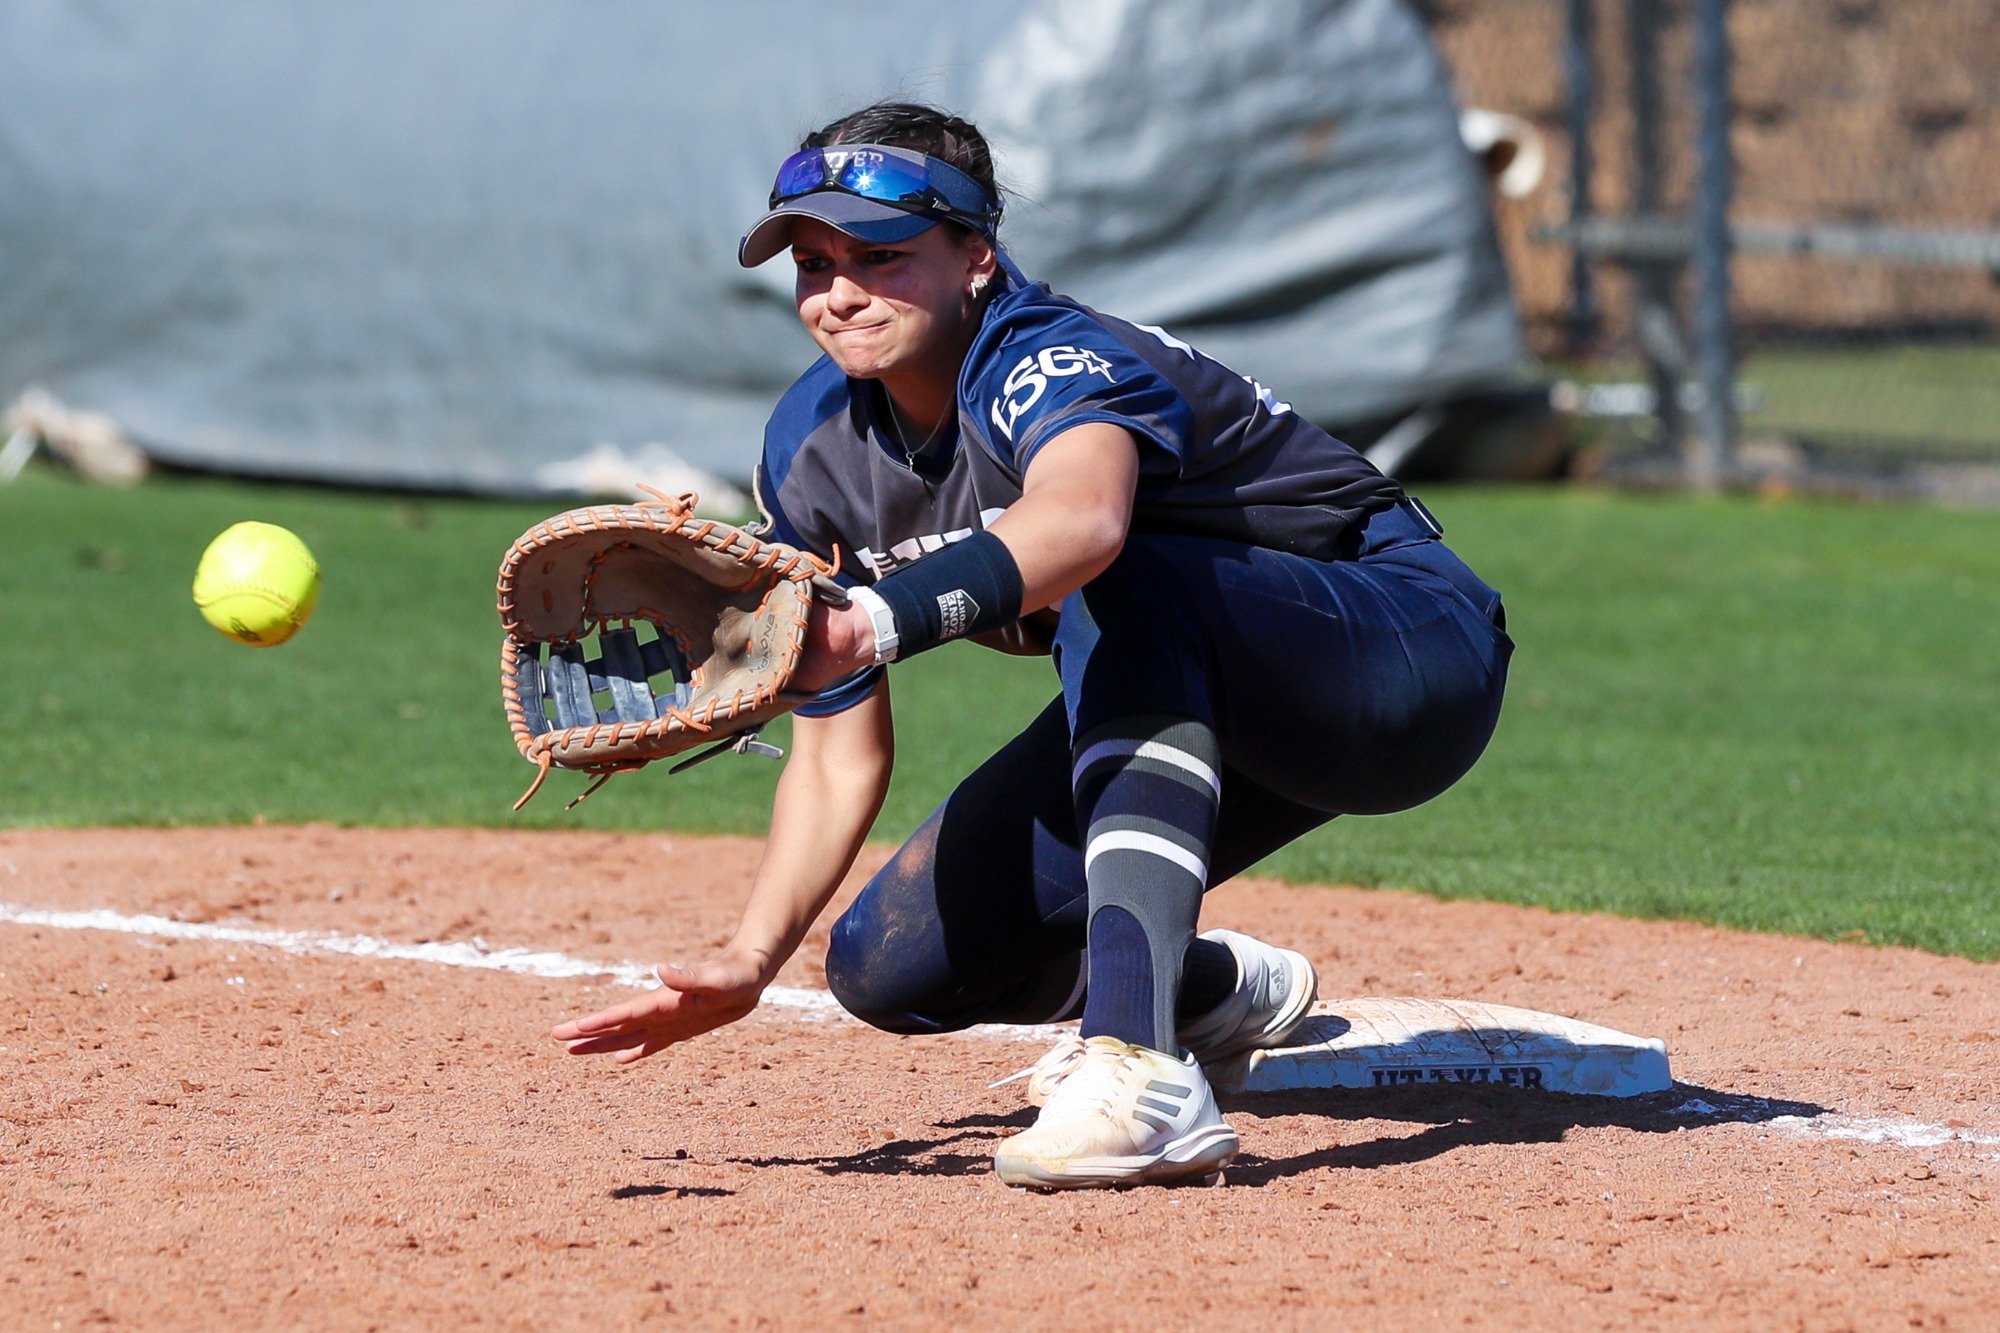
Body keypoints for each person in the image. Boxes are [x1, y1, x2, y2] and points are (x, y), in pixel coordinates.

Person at [551, 101, 1512, 1189]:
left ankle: (1137, 1068)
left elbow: (1082, 525)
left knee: (1127, 571)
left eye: (880, 255)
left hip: (1399, 655)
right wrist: (749, 955)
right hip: (1197, 709)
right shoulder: (811, 444)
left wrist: (864, 620)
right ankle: (1208, 993)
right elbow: (836, 746)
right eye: (812, 262)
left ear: (975, 256)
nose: (838, 291)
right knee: (895, 967)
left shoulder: (1048, 360)